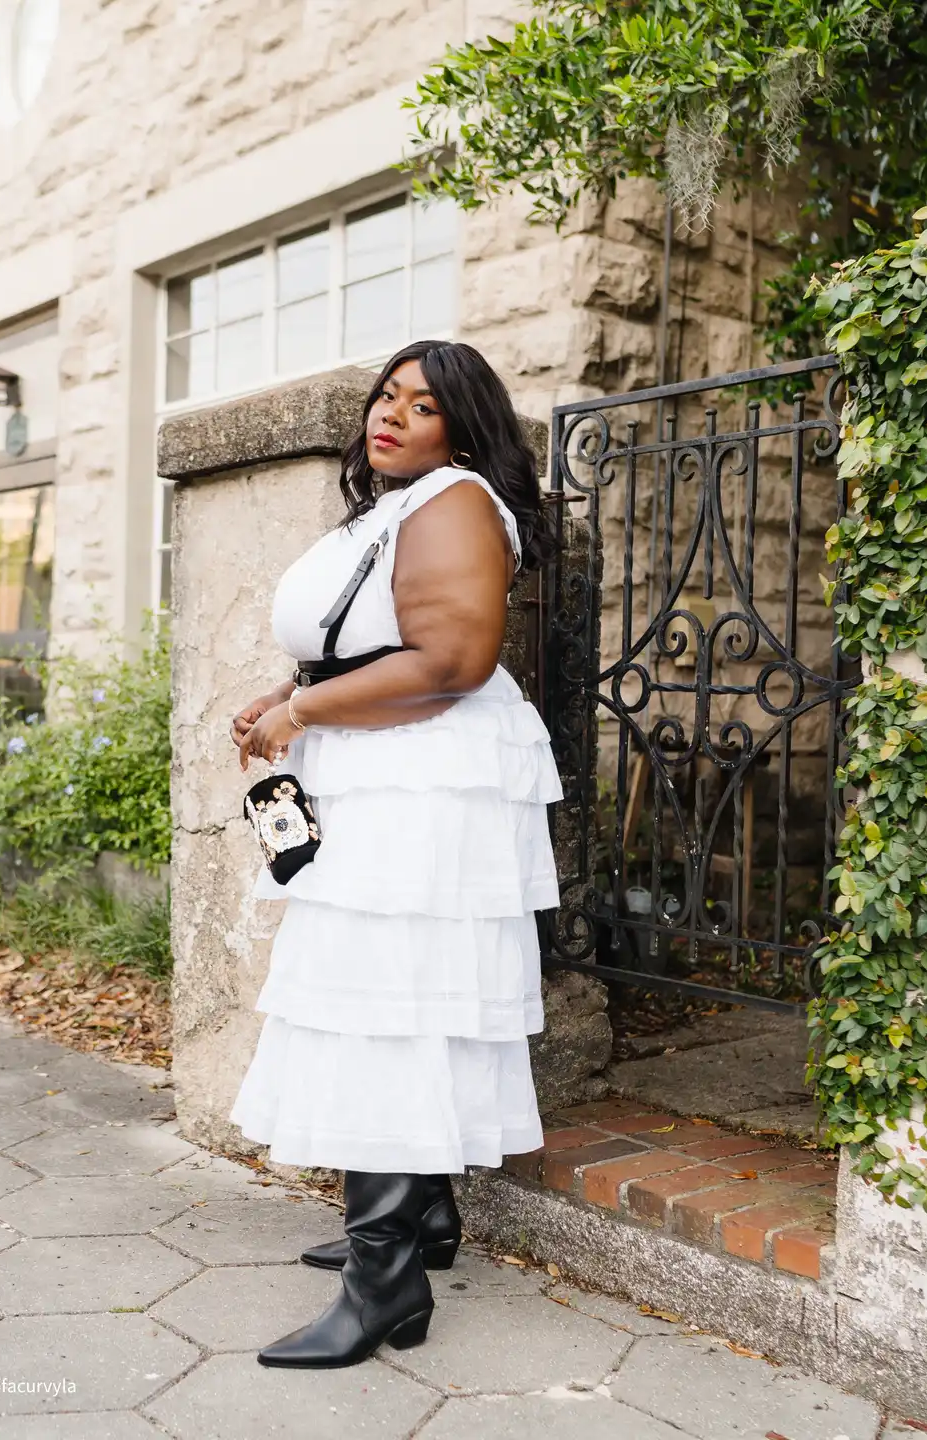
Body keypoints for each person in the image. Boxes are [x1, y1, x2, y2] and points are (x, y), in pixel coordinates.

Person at [228, 339, 562, 1369]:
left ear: (461, 428)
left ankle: (386, 1288)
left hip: (424, 775)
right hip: (390, 764)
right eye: (386, 395)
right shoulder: (402, 501)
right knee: (410, 993)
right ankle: (423, 1226)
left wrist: (305, 707)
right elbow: (368, 633)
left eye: (421, 406)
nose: (391, 415)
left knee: (388, 1005)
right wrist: (289, 697)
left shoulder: (453, 499)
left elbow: (453, 659)